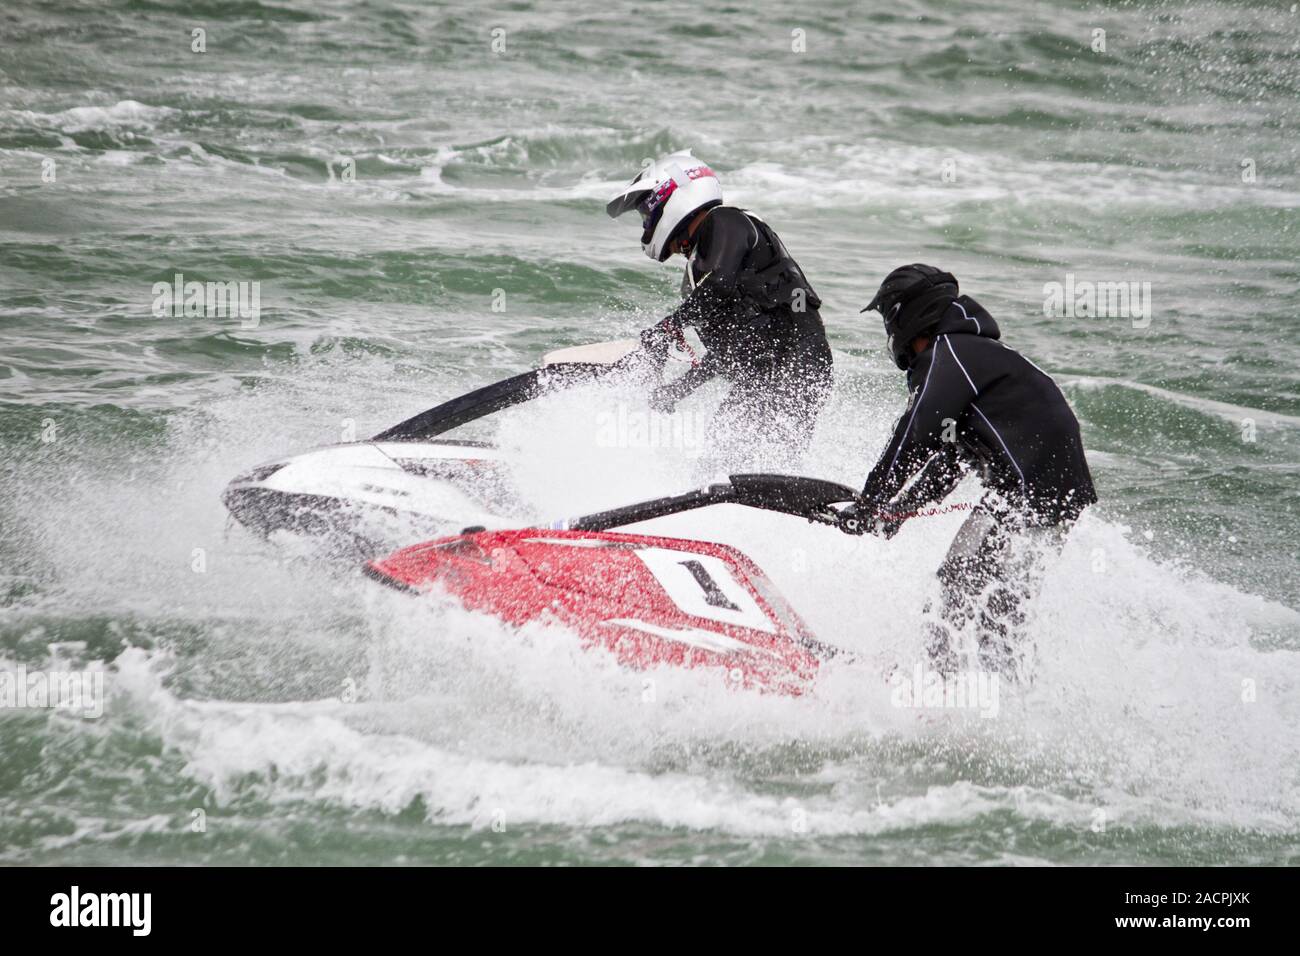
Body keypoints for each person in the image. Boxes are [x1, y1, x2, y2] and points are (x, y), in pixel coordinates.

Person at [838, 264, 1097, 674]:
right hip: (1052, 494)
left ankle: (936, 684)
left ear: (908, 316)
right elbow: (952, 457)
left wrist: (871, 500)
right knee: (1002, 609)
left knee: (953, 588)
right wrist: (899, 510)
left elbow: (915, 432)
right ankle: (1005, 696)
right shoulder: (976, 355)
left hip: (1025, 492)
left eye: (890, 318)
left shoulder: (950, 354)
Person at [605, 150, 832, 463]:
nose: (646, 224)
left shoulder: (726, 221)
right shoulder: (700, 271)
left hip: (798, 364)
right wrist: (678, 388)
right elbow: (730, 352)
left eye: (646, 214)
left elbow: (720, 285)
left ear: (674, 195)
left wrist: (669, 327)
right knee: (717, 453)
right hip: (764, 374)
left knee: (764, 447)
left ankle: (781, 491)